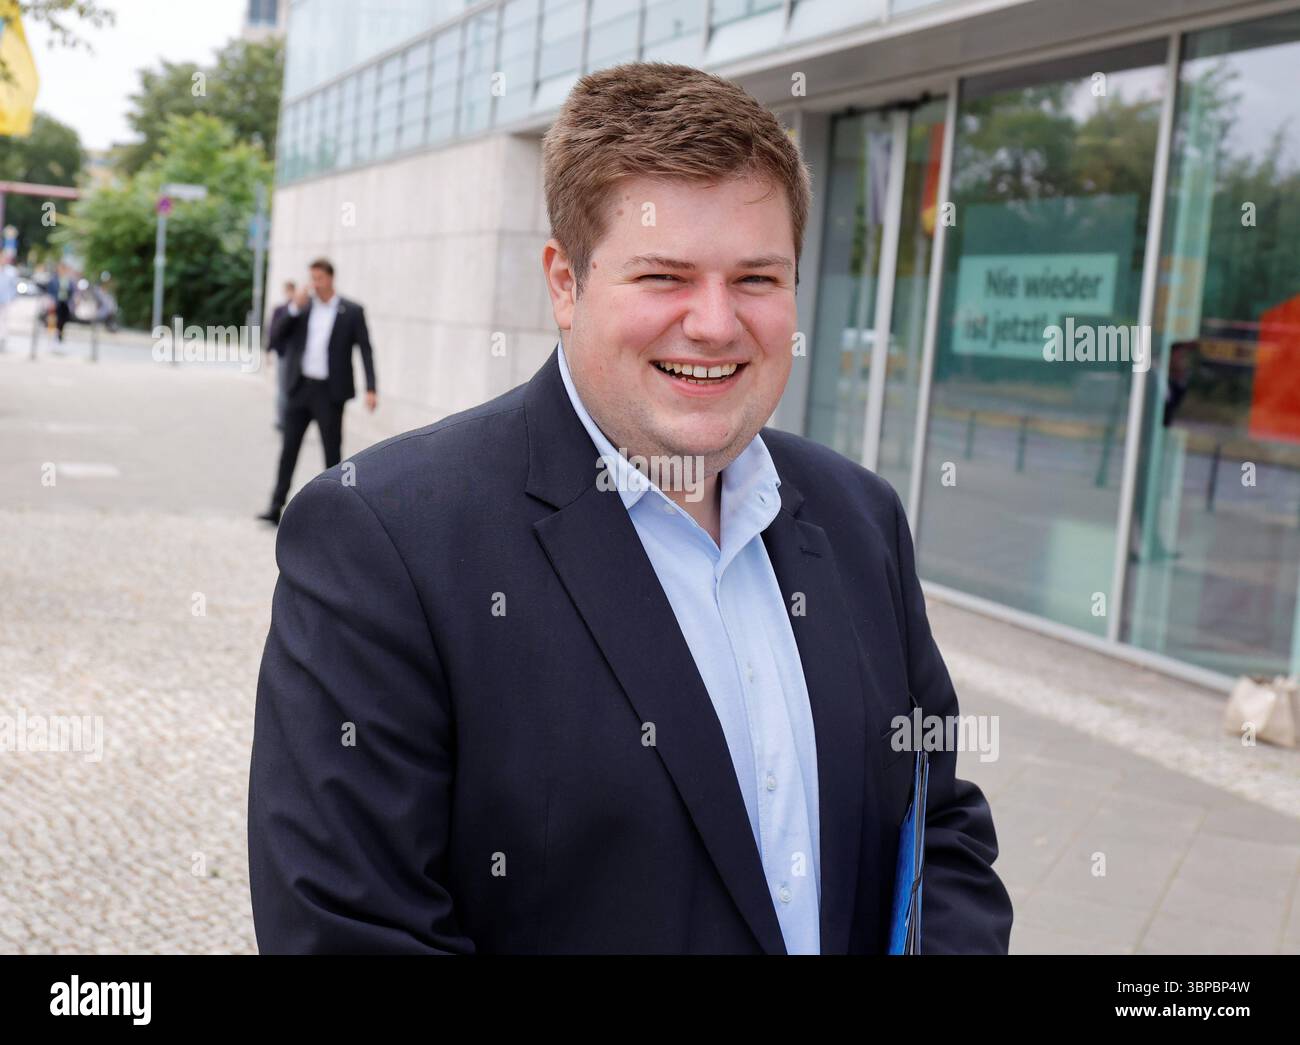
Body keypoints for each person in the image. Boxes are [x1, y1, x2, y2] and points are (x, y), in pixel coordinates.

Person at [248, 62, 1013, 954]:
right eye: (665, 276)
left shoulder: (859, 519)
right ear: (565, 284)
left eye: (758, 279)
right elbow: (348, 932)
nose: (717, 324)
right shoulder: (384, 538)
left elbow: (940, 821)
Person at [256, 260, 376, 526]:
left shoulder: (351, 311)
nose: (314, 284)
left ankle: (335, 512)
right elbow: (275, 338)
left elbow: (365, 349)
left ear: (331, 279)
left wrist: (371, 388)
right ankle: (275, 506)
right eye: (311, 278)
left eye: (319, 278)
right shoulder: (303, 309)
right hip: (301, 389)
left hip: (329, 392)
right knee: (289, 449)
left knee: (332, 453)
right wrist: (293, 309)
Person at [264, 281, 297, 432]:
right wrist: (269, 351)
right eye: (288, 291)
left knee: (292, 390)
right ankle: (282, 420)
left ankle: (290, 420)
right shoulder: (280, 310)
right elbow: (273, 331)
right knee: (283, 389)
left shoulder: (301, 309)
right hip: (283, 354)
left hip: (296, 357)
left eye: (292, 291)